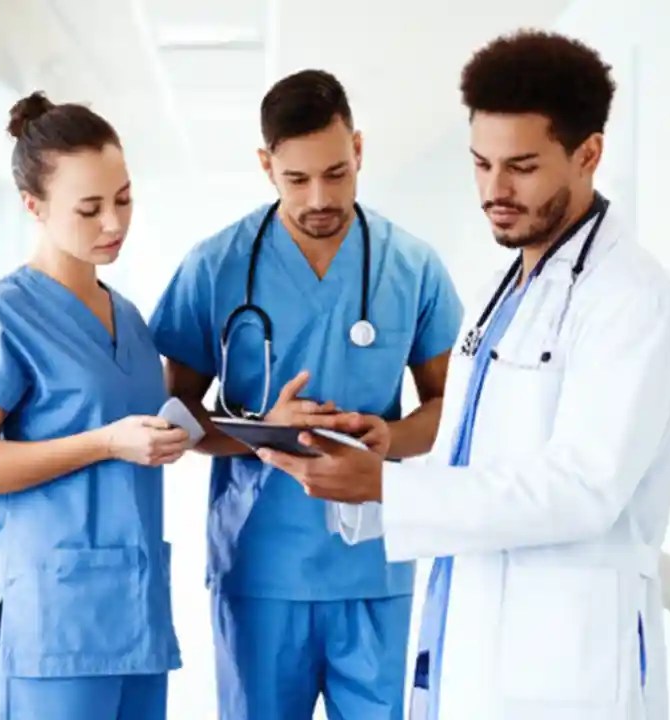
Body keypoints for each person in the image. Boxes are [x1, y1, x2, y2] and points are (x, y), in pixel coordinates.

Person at [260, 31, 670, 720]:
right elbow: (474, 464)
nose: (495, 190)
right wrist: (374, 463)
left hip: (564, 668)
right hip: (470, 641)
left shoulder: (630, 301)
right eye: (481, 164)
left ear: (589, 154)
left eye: (521, 166)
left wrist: (390, 489)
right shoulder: (503, 290)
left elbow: (583, 490)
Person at [149, 69, 465, 720]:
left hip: (375, 563)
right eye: (296, 179)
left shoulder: (412, 267)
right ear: (266, 165)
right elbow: (176, 421)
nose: (320, 196)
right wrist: (263, 426)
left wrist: (392, 438)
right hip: (262, 566)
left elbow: (448, 408)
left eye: (337, 173)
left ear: (359, 150)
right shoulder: (216, 266)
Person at [0, 92, 188, 720]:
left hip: (133, 618)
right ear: (34, 206)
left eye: (123, 199)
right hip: (45, 625)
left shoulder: (128, 318)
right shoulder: (2, 316)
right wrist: (105, 442)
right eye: (90, 208)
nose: (114, 224)